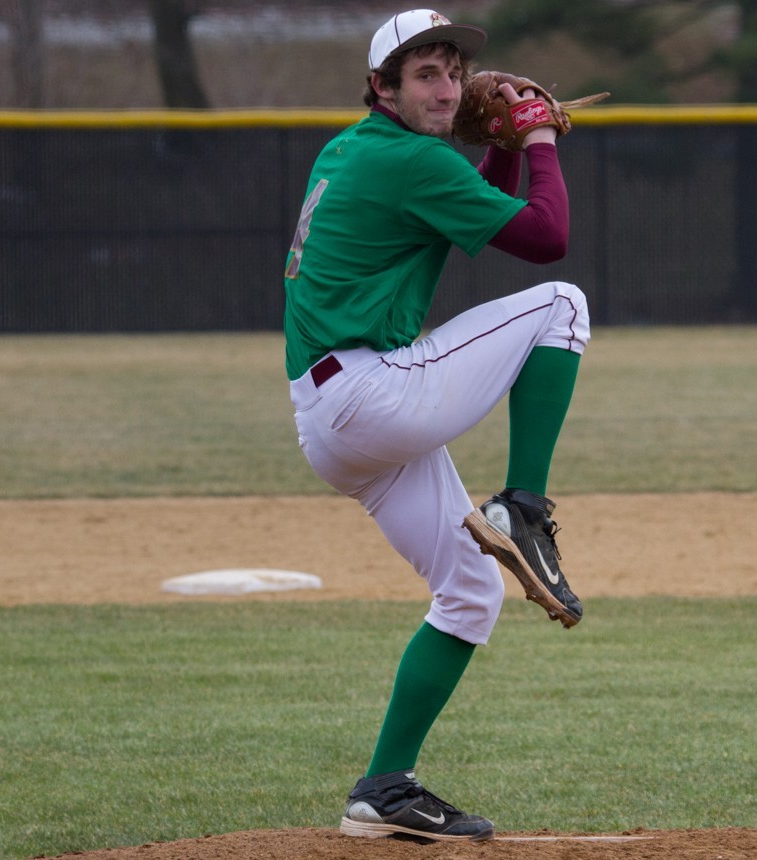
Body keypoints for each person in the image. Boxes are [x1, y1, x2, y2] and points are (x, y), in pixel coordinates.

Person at [282, 7, 590, 845]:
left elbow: (475, 211)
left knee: (469, 591)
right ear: (381, 87)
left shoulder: (358, 150)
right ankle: (522, 505)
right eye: (425, 73)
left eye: (452, 70)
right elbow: (545, 237)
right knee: (562, 306)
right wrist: (538, 145)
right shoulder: (408, 158)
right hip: (369, 392)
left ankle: (383, 788)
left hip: (335, 416)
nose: (449, 86)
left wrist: (496, 149)